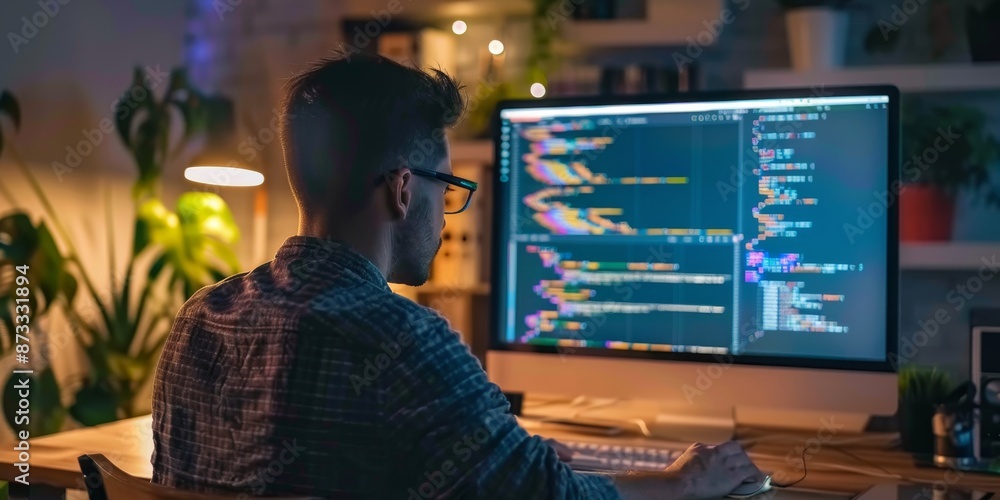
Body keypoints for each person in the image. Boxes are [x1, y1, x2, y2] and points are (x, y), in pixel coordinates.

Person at [151, 51, 765, 499]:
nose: (447, 215)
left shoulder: (198, 321)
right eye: (446, 188)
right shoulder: (406, 341)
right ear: (401, 189)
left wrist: (504, 456)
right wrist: (686, 481)